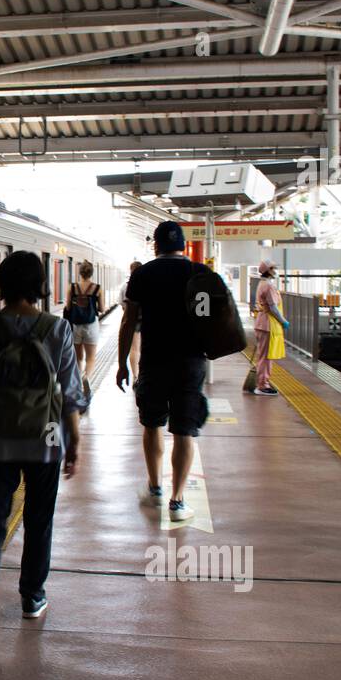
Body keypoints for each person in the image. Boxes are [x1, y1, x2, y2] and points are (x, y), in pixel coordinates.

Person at [0, 251, 86, 658]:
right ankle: (32, 597)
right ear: (40, 285)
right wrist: (75, 440)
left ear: (0, 284)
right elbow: (70, 391)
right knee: (39, 519)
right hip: (45, 441)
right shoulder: (58, 328)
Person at [116, 221, 211, 523]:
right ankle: (178, 502)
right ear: (183, 245)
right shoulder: (199, 273)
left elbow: (128, 322)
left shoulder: (142, 274)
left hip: (154, 360)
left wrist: (121, 363)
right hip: (190, 363)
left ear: (155, 245)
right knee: (185, 431)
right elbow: (205, 320)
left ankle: (156, 487)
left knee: (152, 424)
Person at [65, 260, 104, 400]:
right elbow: (102, 309)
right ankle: (86, 377)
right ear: (91, 273)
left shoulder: (72, 287)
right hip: (91, 325)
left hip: (76, 325)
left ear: (79, 272)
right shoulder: (97, 288)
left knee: (78, 358)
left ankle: (77, 386)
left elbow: (68, 308)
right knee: (91, 358)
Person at [252, 260, 289, 394]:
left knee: (264, 355)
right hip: (268, 324)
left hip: (263, 323)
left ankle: (263, 382)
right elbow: (273, 307)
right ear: (268, 270)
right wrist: (283, 321)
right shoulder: (269, 286)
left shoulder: (262, 284)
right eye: (273, 268)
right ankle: (262, 385)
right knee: (266, 357)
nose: (275, 271)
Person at [125, 261, 143, 379]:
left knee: (134, 348)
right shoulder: (149, 283)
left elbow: (124, 305)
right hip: (148, 319)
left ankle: (135, 376)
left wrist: (122, 364)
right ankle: (142, 374)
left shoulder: (126, 286)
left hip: (133, 321)